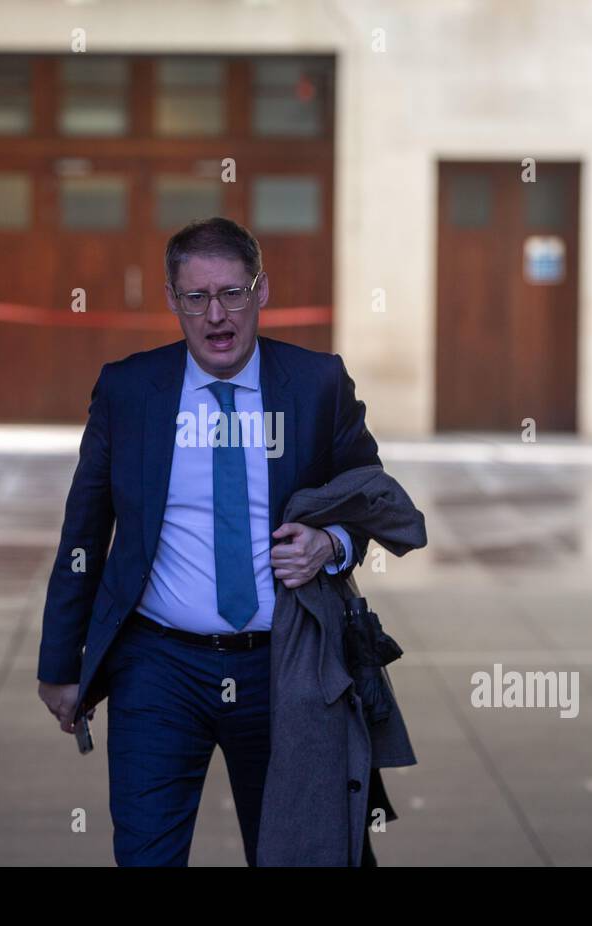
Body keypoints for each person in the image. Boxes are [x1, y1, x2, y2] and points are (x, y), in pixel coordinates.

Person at [37, 216, 381, 866]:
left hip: (284, 667)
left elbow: (370, 496)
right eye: (196, 297)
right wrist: (60, 663)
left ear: (261, 291)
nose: (216, 314)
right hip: (158, 668)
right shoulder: (130, 390)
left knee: (298, 852)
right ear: (172, 299)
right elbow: (83, 531)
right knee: (145, 854)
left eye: (232, 293)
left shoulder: (315, 385)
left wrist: (331, 542)